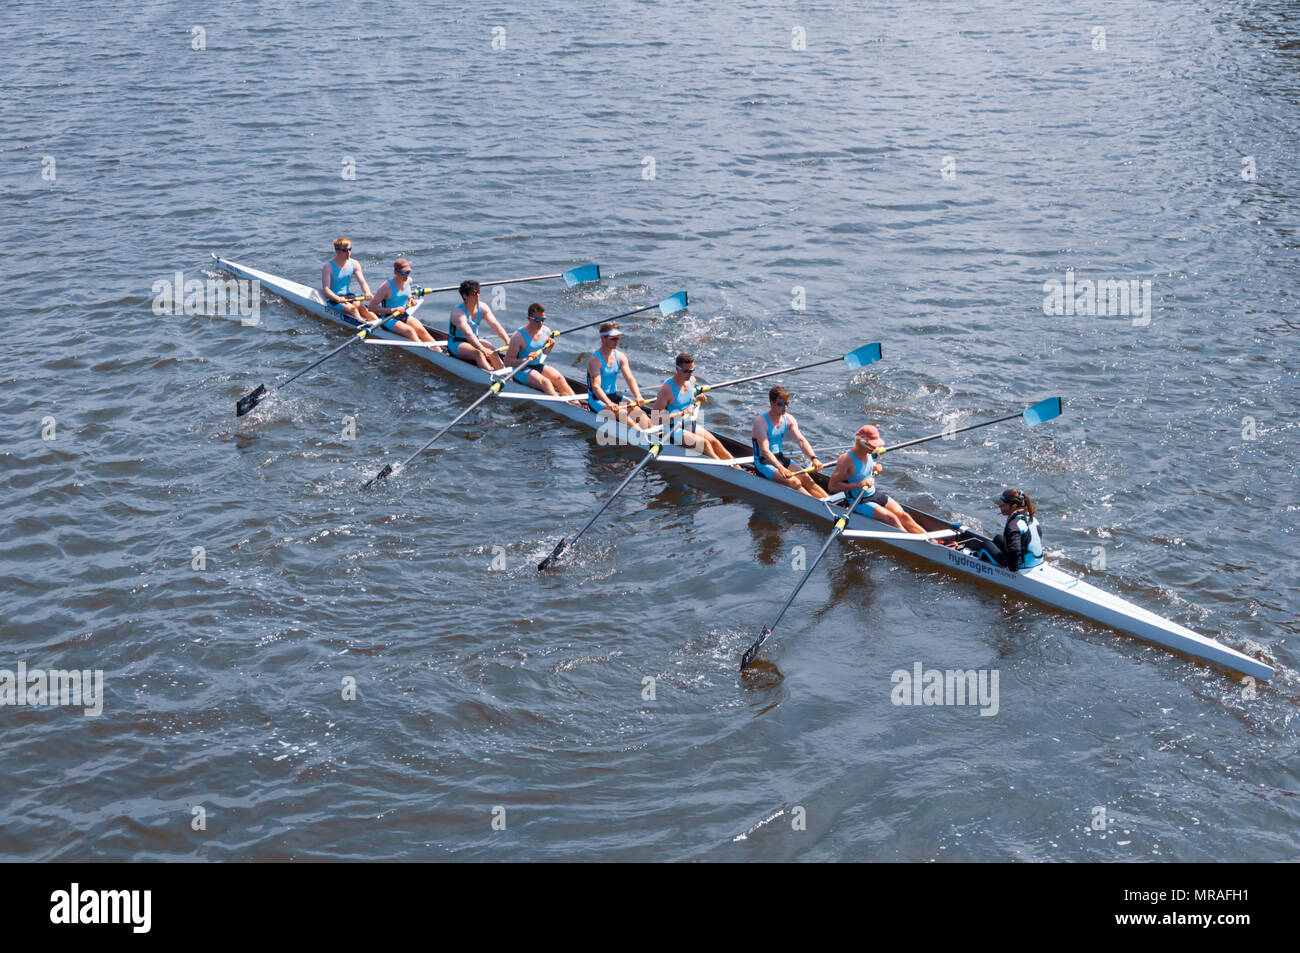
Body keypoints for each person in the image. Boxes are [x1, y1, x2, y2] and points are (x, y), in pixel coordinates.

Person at [828, 425, 927, 534]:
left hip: (874, 494)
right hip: (858, 500)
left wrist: (874, 466)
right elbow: (832, 487)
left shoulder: (868, 453)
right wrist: (860, 484)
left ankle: (932, 540)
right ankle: (913, 543)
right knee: (892, 519)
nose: (875, 449)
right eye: (872, 445)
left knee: (904, 516)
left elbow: (863, 467)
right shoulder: (846, 459)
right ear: (861, 442)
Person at [751, 386, 827, 498]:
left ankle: (830, 503)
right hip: (763, 462)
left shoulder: (789, 419)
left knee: (807, 479)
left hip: (780, 458)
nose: (785, 407)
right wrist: (781, 468)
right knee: (795, 482)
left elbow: (801, 441)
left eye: (787, 403)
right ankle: (819, 508)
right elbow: (765, 451)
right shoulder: (760, 422)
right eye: (780, 404)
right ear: (771, 403)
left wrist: (813, 458)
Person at [651, 353, 731, 460]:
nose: (689, 374)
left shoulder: (691, 380)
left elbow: (683, 400)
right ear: (677, 369)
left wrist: (697, 398)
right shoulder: (666, 389)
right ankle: (726, 471)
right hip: (672, 428)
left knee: (715, 442)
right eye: (686, 371)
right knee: (705, 444)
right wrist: (682, 413)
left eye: (692, 370)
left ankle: (737, 467)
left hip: (688, 423)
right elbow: (656, 419)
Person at [504, 303, 579, 401]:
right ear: (529, 319)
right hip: (520, 369)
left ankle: (576, 403)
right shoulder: (518, 337)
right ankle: (562, 405)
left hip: (537, 366)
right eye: (537, 320)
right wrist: (526, 359)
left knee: (560, 378)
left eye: (543, 320)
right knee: (546, 383)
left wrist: (550, 347)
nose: (541, 323)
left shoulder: (546, 331)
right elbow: (507, 362)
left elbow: (545, 353)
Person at [585, 322, 651, 428]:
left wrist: (638, 396)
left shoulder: (620, 356)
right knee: (624, 416)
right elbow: (596, 387)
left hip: (615, 395)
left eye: (617, 337)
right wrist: (608, 403)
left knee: (639, 413)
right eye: (613, 338)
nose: (616, 341)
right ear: (603, 338)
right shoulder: (595, 360)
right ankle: (643, 437)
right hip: (597, 400)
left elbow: (630, 379)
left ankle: (657, 435)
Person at [366, 259, 439, 345]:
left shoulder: (409, 281)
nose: (406, 275)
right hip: (388, 318)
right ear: (395, 272)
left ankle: (439, 351)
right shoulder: (386, 287)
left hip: (403, 314)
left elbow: (408, 293)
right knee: (410, 331)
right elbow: (371, 307)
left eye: (408, 272)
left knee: (421, 330)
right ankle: (427, 351)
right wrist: (393, 310)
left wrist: (411, 299)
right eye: (403, 273)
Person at [448, 280, 510, 371]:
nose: (477, 295)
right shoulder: (458, 314)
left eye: (478, 292)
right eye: (474, 293)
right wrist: (481, 348)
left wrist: (507, 340)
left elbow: (495, 326)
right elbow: (468, 334)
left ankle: (504, 372)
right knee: (478, 353)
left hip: (474, 340)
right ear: (465, 296)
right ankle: (490, 373)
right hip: (457, 343)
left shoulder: (483, 307)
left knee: (493, 350)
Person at [981, 489, 1044, 570]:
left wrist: (1011, 568)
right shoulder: (1032, 519)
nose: (1000, 506)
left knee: (985, 544)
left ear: (1013, 506)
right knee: (997, 538)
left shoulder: (1013, 525)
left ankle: (981, 566)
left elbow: (1015, 550)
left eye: (1003, 504)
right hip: (1036, 561)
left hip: (1021, 566)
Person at [321, 238, 378, 323]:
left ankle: (380, 325)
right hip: (333, 299)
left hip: (348, 296)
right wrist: (337, 298)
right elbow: (326, 289)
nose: (348, 252)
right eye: (345, 250)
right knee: (353, 309)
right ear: (337, 251)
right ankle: (363, 325)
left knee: (364, 308)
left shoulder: (354, 264)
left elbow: (362, 282)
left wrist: (367, 293)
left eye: (350, 249)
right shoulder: (328, 267)